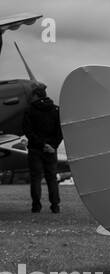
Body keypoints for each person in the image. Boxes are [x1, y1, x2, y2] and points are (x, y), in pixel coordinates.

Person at [22, 83, 62, 213]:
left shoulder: (29, 111)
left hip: (35, 149)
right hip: (51, 149)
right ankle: (55, 206)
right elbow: (60, 131)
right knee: (52, 178)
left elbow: (28, 131)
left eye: (31, 96)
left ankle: (36, 206)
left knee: (36, 178)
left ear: (36, 96)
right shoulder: (56, 110)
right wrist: (53, 146)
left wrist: (41, 144)